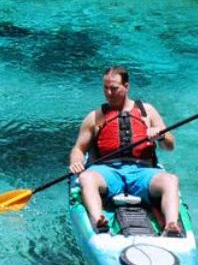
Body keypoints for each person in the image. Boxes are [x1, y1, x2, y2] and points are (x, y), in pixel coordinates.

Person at [68, 65, 183, 237]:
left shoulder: (147, 111)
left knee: (170, 180)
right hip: (107, 172)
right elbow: (79, 148)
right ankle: (98, 219)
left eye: (114, 88)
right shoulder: (94, 117)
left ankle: (171, 225)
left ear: (126, 86)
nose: (108, 92)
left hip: (142, 172)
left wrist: (160, 136)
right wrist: (75, 162)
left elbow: (170, 145)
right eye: (105, 88)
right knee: (86, 178)